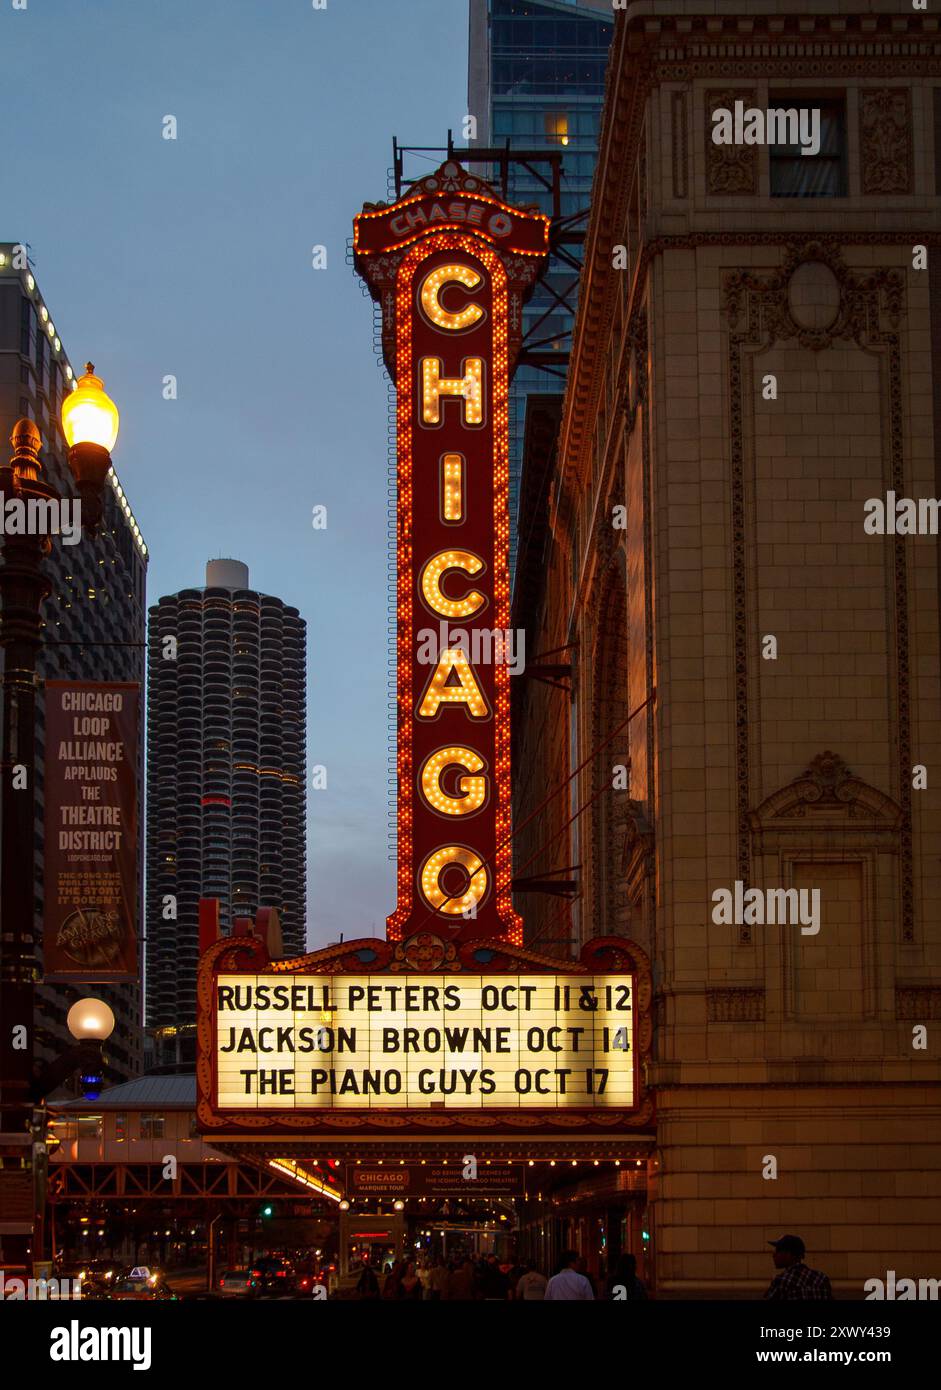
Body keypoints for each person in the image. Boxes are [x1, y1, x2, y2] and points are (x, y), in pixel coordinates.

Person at [763, 1235, 833, 1300]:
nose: (774, 1254)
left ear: (789, 1255)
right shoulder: (821, 1278)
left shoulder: (782, 1281)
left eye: (778, 1250)